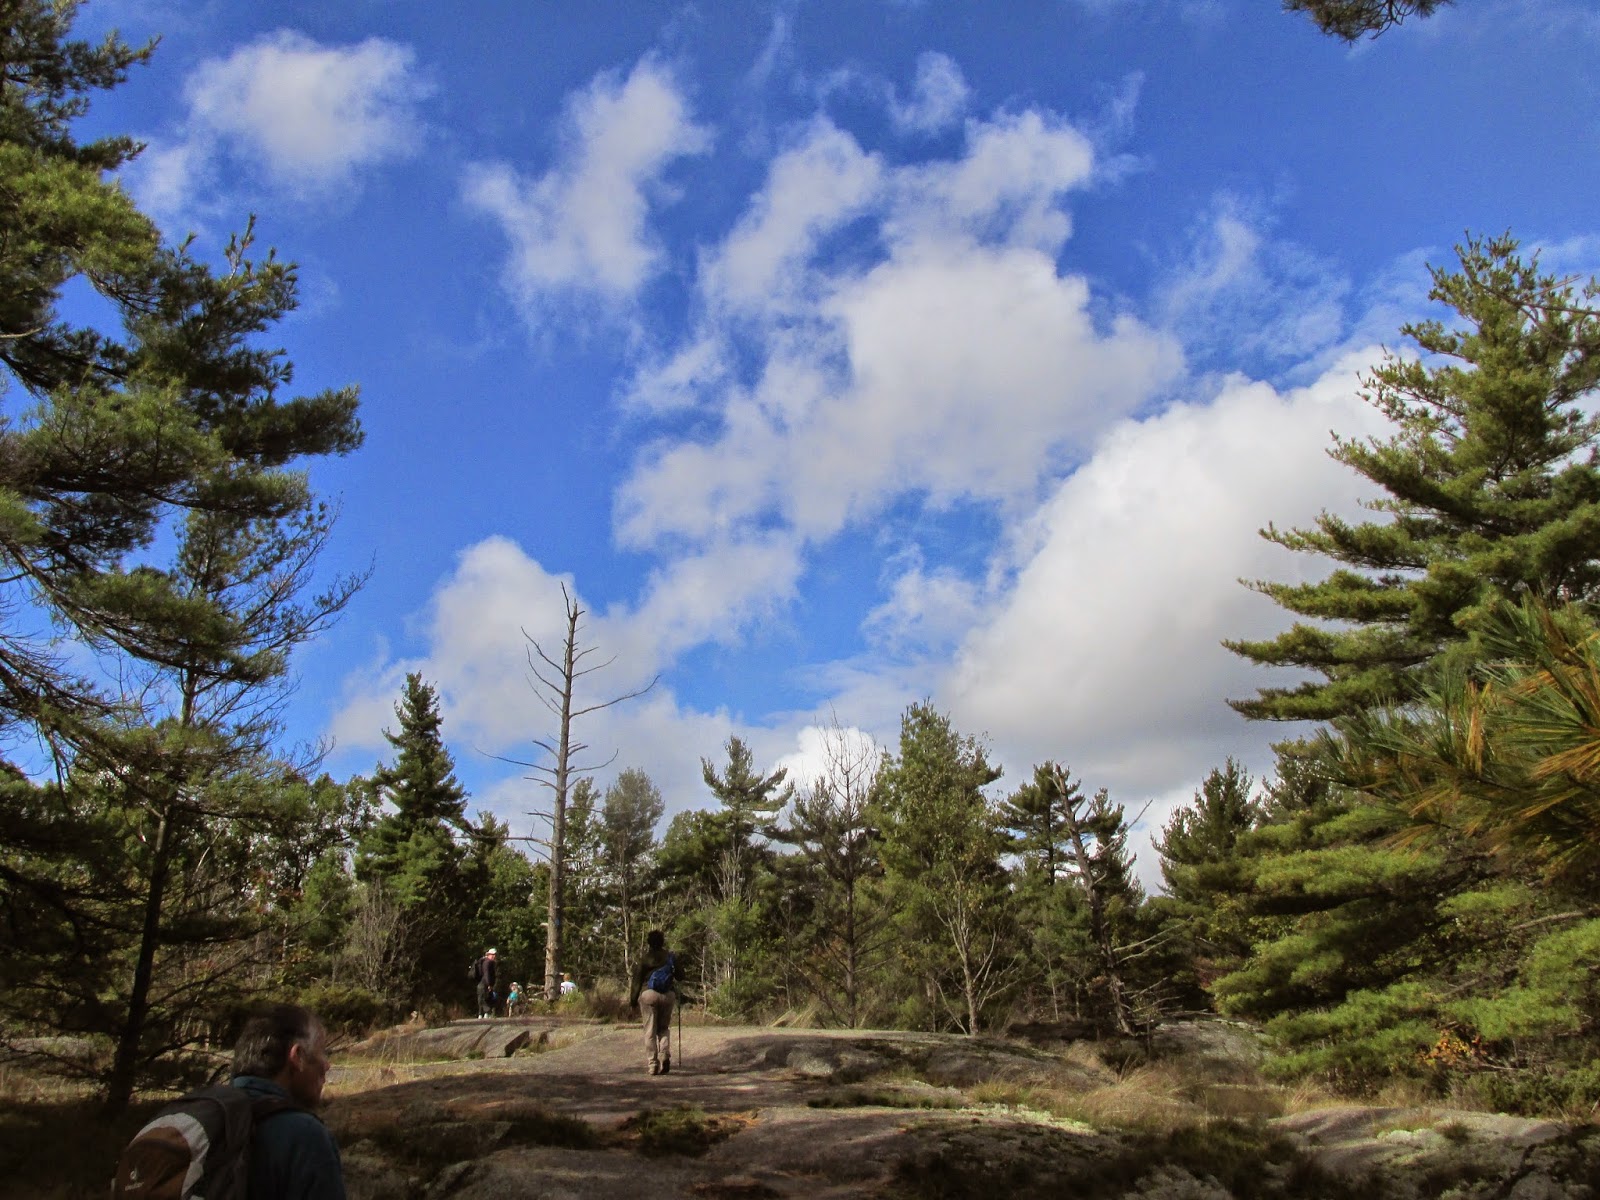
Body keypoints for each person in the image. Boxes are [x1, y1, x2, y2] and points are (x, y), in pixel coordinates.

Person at [230, 1002, 345, 1199]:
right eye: (322, 1051)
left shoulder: (207, 1116)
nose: (327, 1065)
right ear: (298, 1057)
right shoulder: (305, 1135)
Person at [628, 929, 676, 1076]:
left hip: (649, 995)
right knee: (663, 1028)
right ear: (662, 941)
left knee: (650, 1031)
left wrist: (633, 1001)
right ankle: (664, 1055)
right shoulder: (669, 956)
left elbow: (637, 981)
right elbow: (681, 975)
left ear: (649, 943)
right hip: (668, 995)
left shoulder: (645, 959)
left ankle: (653, 1064)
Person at [473, 947, 497, 1018]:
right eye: (492, 954)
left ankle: (481, 1014)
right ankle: (486, 1012)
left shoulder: (486, 962)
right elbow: (487, 974)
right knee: (484, 998)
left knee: (483, 998)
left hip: (482, 983)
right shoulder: (488, 962)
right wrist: (489, 984)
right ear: (489, 955)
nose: (494, 956)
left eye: (495, 955)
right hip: (484, 983)